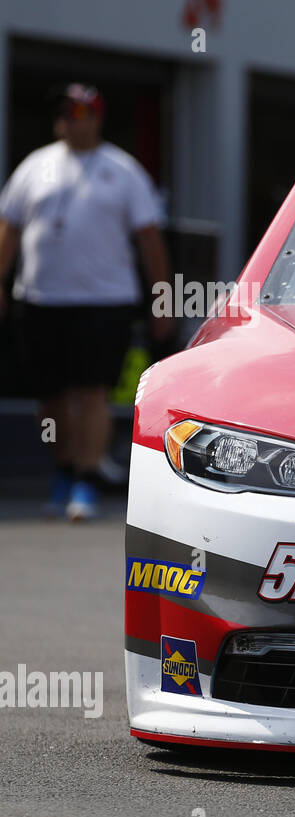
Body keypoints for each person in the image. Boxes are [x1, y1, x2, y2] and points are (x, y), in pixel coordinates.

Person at [0, 83, 172, 519]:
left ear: (96, 118)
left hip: (104, 300)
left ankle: (87, 480)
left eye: (79, 113)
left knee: (93, 391)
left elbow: (149, 240)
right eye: (63, 113)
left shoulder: (123, 170)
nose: (68, 121)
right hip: (40, 300)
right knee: (50, 399)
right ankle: (62, 471)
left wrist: (163, 298)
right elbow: (10, 230)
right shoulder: (34, 167)